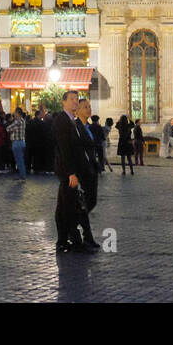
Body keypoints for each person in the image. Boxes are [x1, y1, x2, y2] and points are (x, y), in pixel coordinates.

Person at [51, 91, 94, 253]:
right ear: (63, 102)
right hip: (66, 171)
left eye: (76, 99)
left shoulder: (71, 121)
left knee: (64, 205)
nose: (75, 102)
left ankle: (64, 240)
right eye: (71, 99)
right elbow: (64, 149)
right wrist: (70, 173)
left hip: (70, 170)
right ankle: (71, 241)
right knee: (67, 206)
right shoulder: (62, 120)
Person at [72, 98, 102, 250]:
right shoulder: (76, 127)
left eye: (89, 107)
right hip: (82, 169)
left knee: (92, 201)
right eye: (85, 107)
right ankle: (87, 236)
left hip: (92, 168)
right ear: (77, 111)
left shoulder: (90, 127)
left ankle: (72, 225)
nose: (88, 109)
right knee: (85, 203)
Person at [7, 108, 28, 180]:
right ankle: (22, 174)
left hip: (17, 142)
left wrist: (10, 122)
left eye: (14, 112)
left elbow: (8, 128)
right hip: (21, 141)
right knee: (20, 159)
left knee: (19, 160)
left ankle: (22, 175)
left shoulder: (18, 121)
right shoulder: (23, 120)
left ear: (17, 113)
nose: (13, 114)